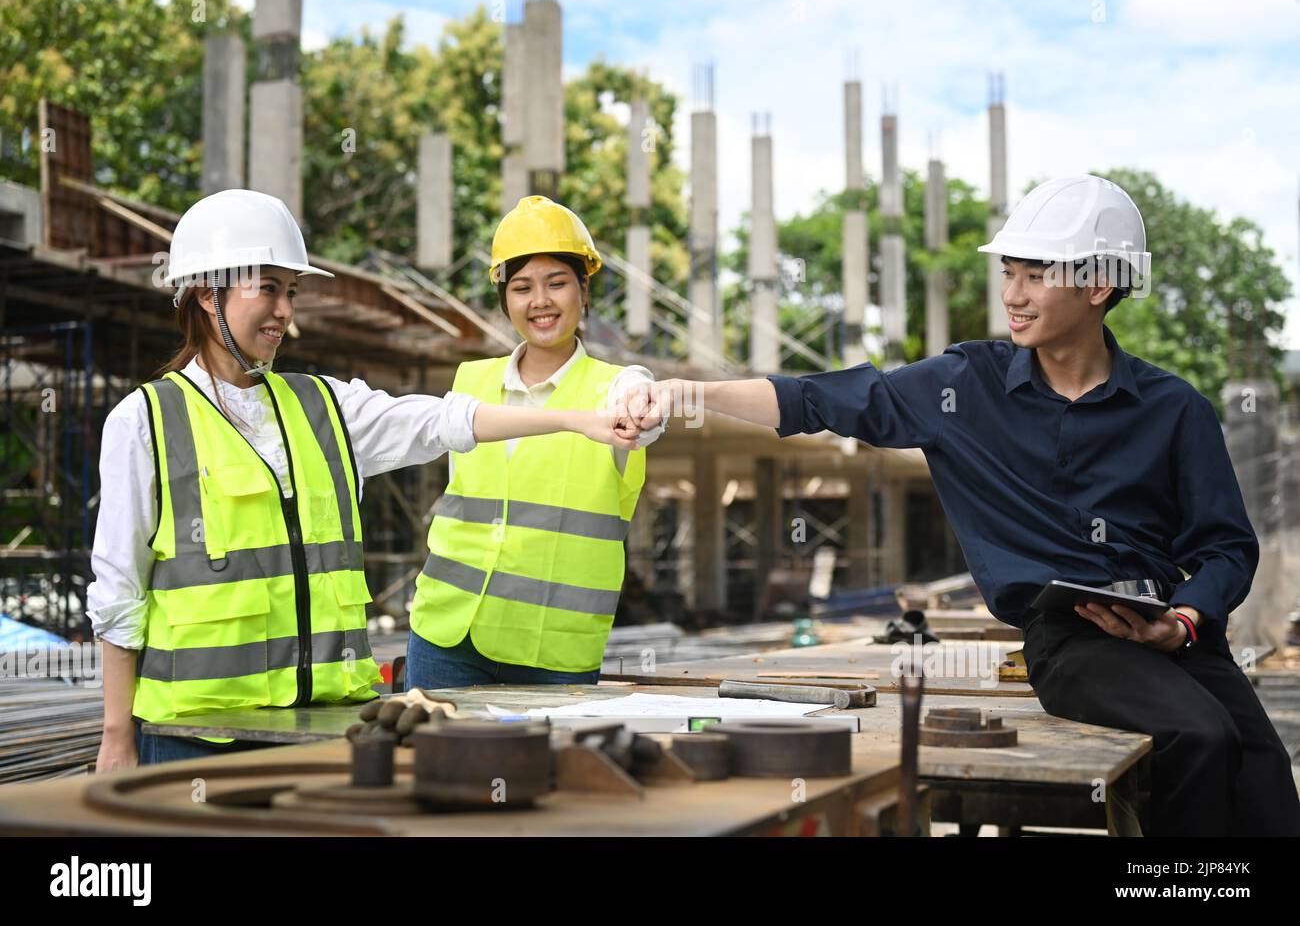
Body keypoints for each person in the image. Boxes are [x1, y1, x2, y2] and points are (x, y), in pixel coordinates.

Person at [623, 175, 1300, 836]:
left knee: (1267, 781)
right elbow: (814, 398)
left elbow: (1226, 547)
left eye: (1034, 275)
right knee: (1198, 736)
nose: (1012, 294)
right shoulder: (962, 388)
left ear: (1097, 284)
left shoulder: (1175, 409)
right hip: (1075, 640)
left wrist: (1181, 621)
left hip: (1176, 635)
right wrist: (692, 392)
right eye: (1008, 273)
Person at [89, 189, 640, 770]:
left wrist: (574, 418)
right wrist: (115, 736)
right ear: (207, 293)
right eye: (267, 289)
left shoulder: (326, 408)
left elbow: (443, 420)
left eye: (291, 292)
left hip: (316, 732)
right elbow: (118, 593)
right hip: (192, 737)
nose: (284, 311)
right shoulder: (144, 422)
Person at [405, 196, 667, 688]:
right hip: (447, 635)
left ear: (584, 290)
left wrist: (641, 395)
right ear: (505, 299)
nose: (540, 301)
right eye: (522, 287)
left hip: (554, 647)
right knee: (436, 765)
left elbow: (642, 404)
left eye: (557, 283)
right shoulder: (469, 380)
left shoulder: (614, 390)